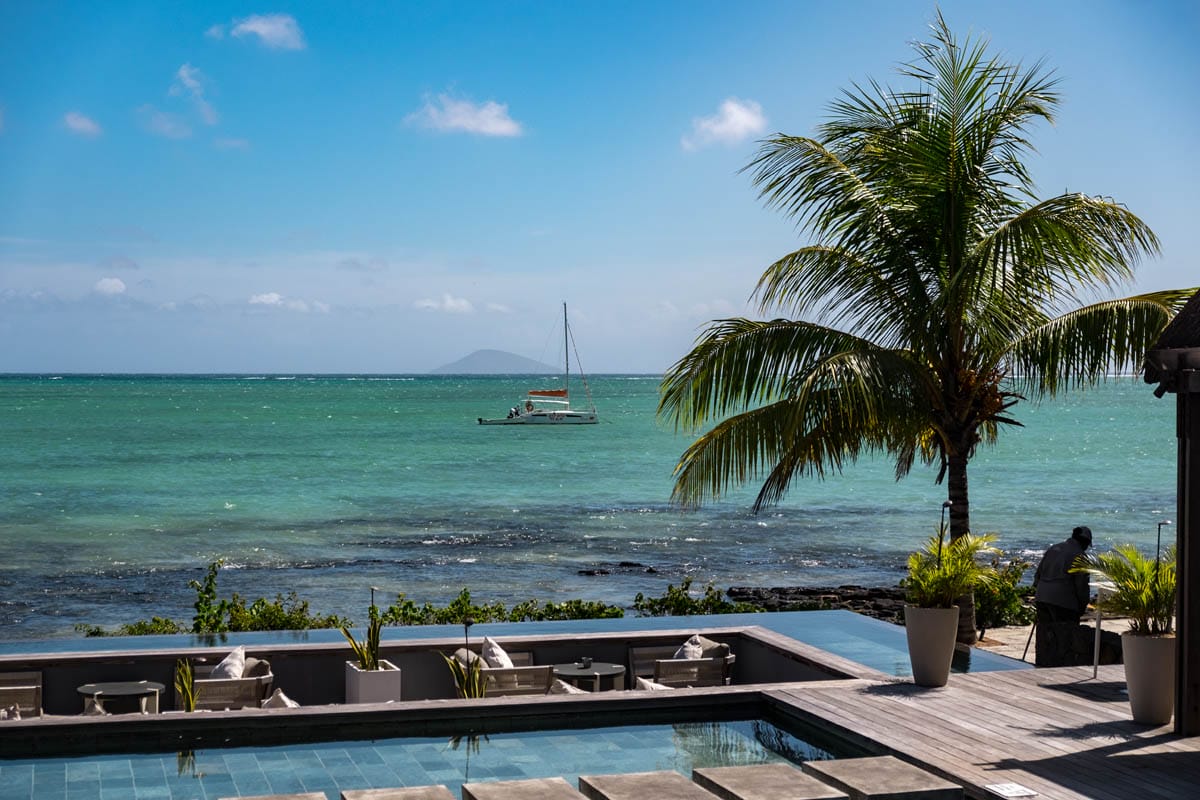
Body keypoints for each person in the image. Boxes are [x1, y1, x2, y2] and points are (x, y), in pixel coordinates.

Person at [1033, 525, 1093, 624]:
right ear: (1085, 542)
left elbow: (1037, 576)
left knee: (1045, 634)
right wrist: (1082, 606)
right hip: (1064, 603)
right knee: (1065, 636)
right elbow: (1082, 586)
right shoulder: (1081, 556)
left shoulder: (1053, 548)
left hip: (1042, 597)